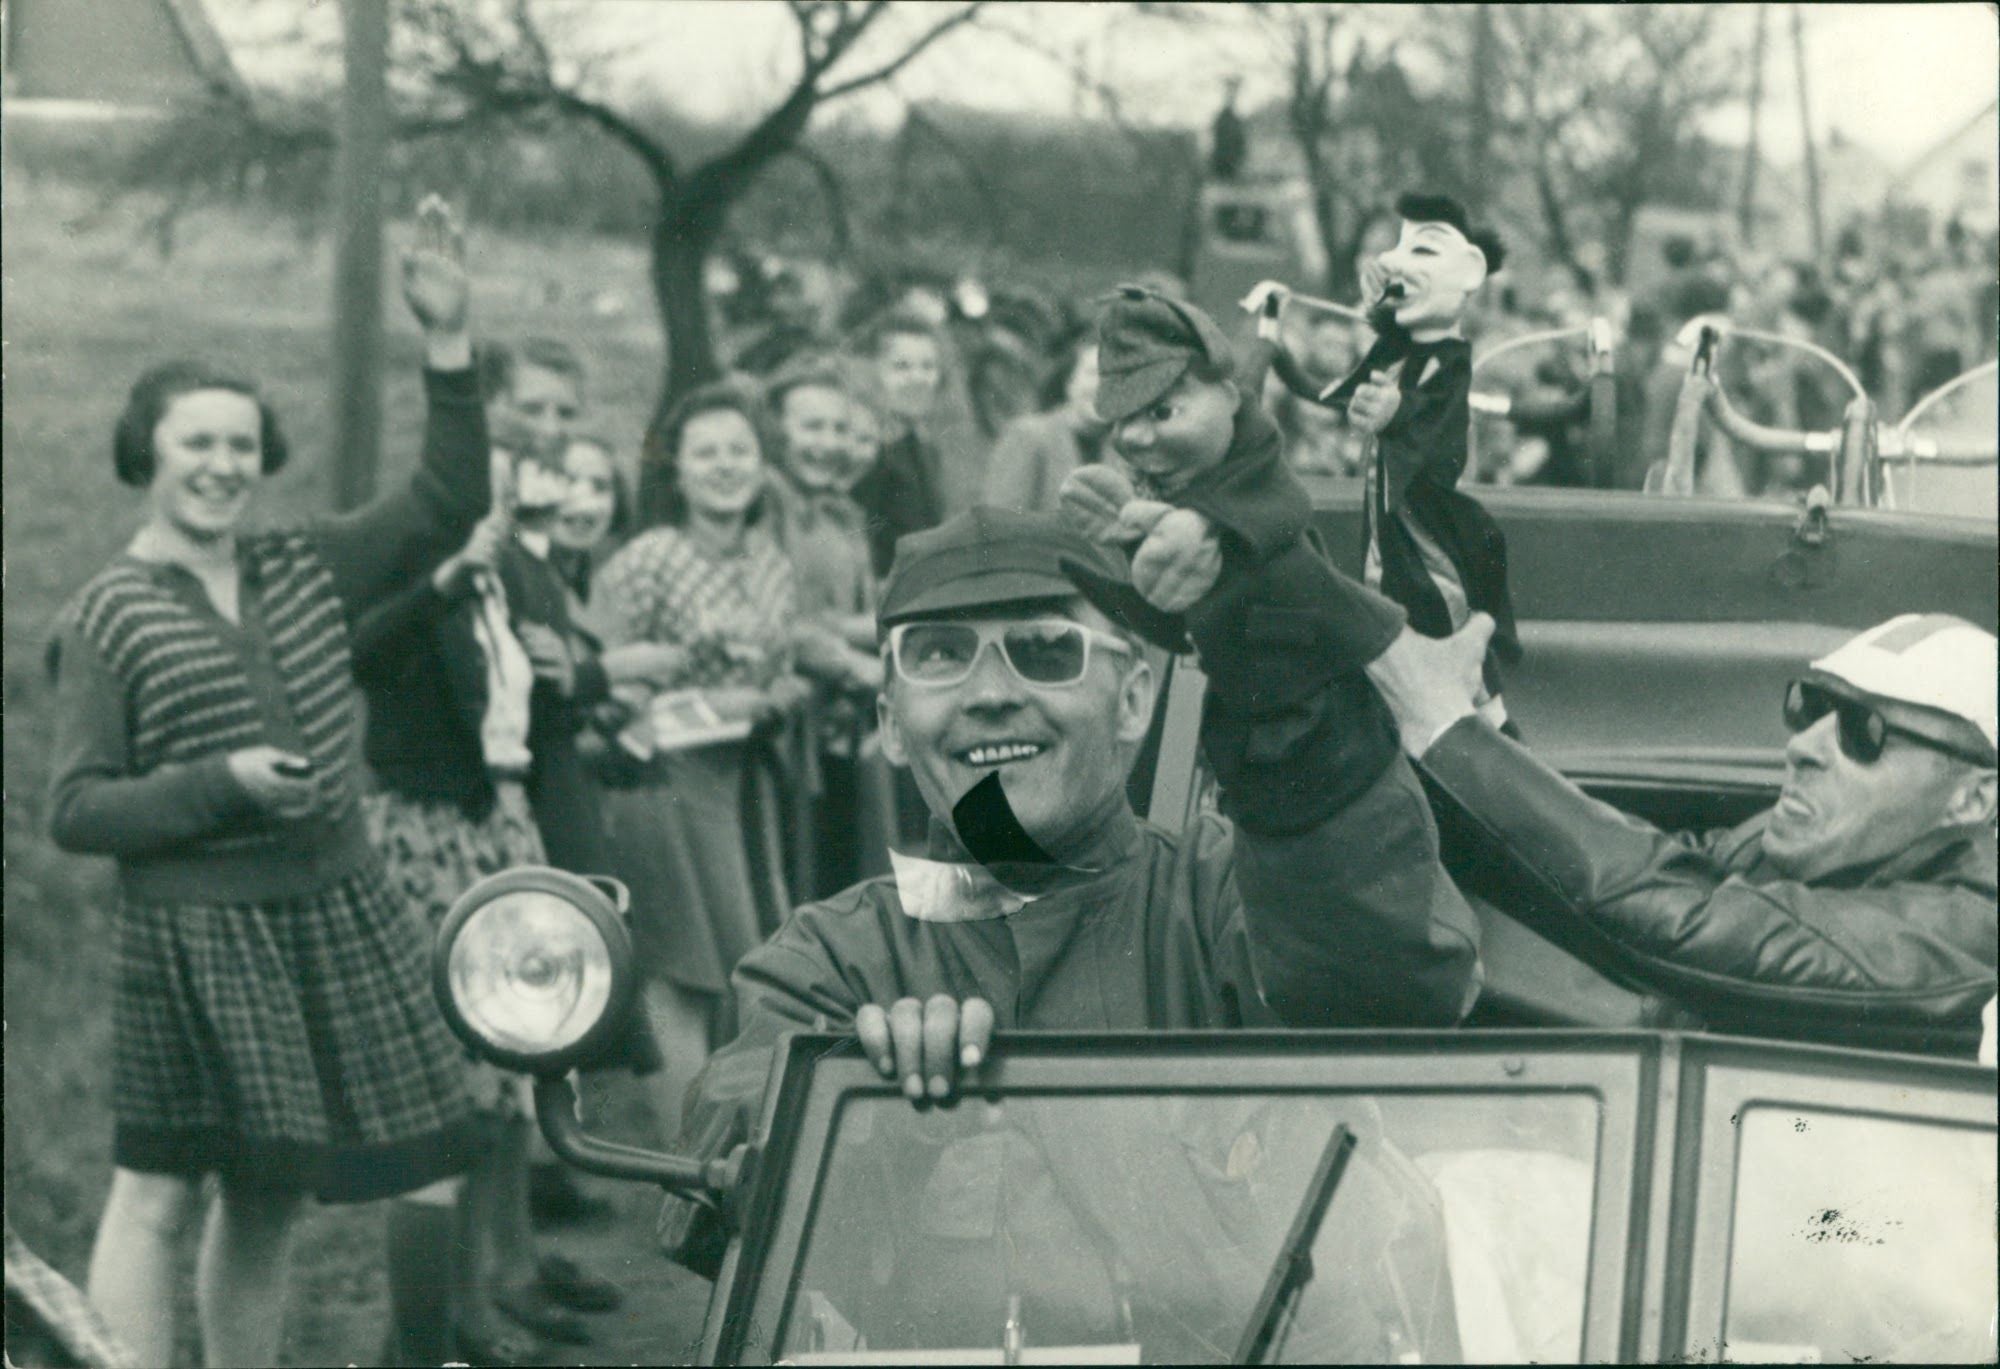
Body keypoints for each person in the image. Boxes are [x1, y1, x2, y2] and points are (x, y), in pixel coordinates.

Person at [663, 504, 1482, 1276]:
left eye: (1045, 649)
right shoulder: (837, 958)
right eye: (941, 655)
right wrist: (859, 1091)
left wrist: (1299, 718)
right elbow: (724, 1161)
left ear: (1132, 700)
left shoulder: (1229, 890)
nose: (988, 694)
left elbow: (1398, 973)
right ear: (890, 722)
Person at [44, 196, 484, 1368]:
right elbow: (76, 808)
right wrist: (223, 782)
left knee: (269, 1198)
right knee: (158, 1195)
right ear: (149, 453)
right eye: (198, 443)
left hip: (327, 913)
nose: (223, 466)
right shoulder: (107, 614)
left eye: (242, 445)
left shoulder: (300, 564)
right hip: (194, 937)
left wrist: (446, 342)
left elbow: (446, 504)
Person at [350, 439, 672, 1359]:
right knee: (448, 1092)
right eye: (473, 496)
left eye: (501, 496)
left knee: (500, 1090)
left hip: (498, 825)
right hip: (429, 840)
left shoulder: (500, 581)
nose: (493, 511)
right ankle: (429, 1329)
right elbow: (360, 650)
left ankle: (489, 1291)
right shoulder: (424, 582)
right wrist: (446, 580)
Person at [1367, 610, 1998, 1055]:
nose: (1804, 746)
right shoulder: (1823, 843)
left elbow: (1685, 919)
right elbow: (1662, 870)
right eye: (1812, 707)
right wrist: (1484, 725)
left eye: (1863, 732)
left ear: (1972, 799)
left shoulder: (1967, 930)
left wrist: (1449, 734)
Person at [590, 383, 811, 1138]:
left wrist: (777, 693)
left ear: (762, 464)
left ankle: (741, 1156)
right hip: (660, 785)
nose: (724, 467)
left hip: (744, 786)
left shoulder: (772, 563)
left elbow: (781, 663)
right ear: (675, 470)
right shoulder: (646, 560)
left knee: (747, 976)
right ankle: (690, 1170)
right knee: (679, 979)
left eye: (739, 451)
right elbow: (599, 684)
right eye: (706, 452)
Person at [764, 359, 897, 897]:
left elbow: (856, 611)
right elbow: (778, 621)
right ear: (778, 432)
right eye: (811, 427)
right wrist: (858, 660)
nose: (828, 443)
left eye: (840, 429)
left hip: (840, 727)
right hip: (786, 731)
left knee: (842, 871)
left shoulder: (842, 512)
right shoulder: (767, 502)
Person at [850, 314, 949, 577]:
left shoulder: (924, 449)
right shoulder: (864, 451)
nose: (918, 378)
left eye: (928, 367)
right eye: (901, 367)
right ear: (873, 373)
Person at [980, 330, 1110, 513]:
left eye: (1113, 376)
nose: (1101, 385)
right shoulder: (1030, 436)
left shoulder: (1122, 446)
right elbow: (1000, 520)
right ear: (1070, 382)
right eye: (1092, 373)